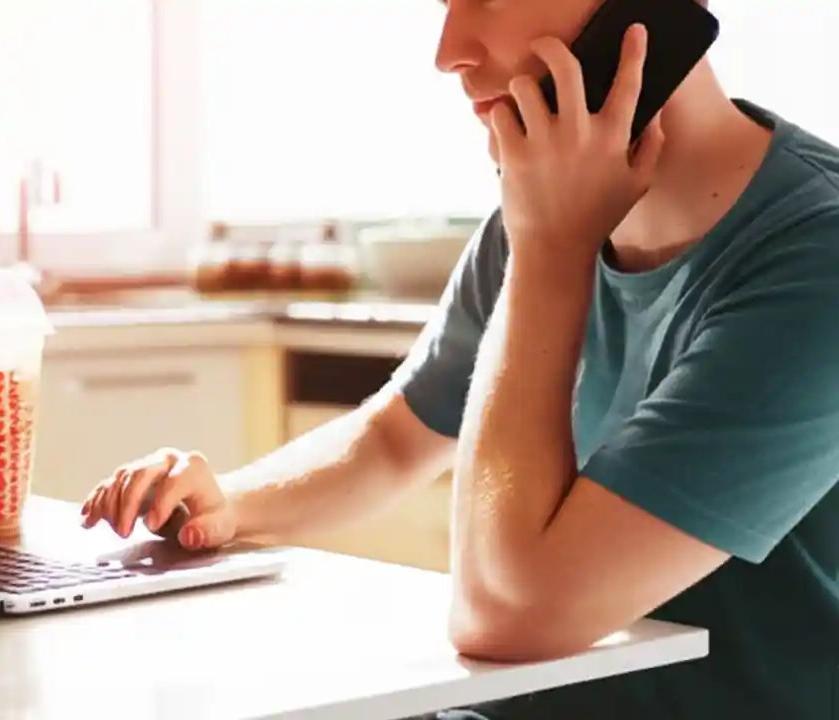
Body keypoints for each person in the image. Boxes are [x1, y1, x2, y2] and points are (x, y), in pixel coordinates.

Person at [81, 1, 839, 717]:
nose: (448, 53)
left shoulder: (814, 259)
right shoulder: (543, 211)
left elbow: (510, 614)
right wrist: (231, 507)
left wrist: (551, 247)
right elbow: (395, 435)